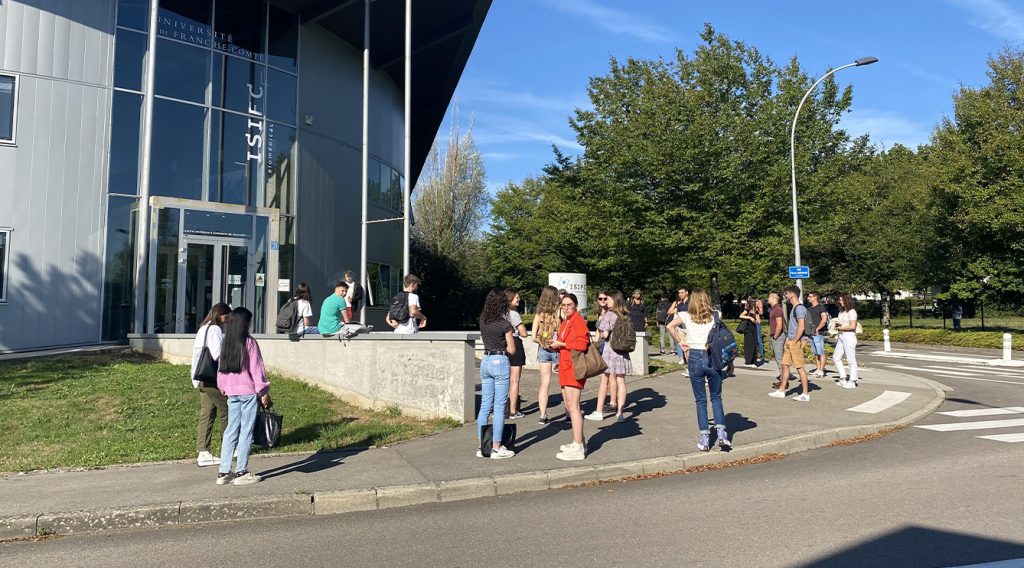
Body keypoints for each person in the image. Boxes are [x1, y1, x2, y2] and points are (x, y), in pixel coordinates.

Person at [216, 307, 271, 486]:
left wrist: (223, 387)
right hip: (248, 391)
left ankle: (224, 471)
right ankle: (241, 471)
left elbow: (221, 369)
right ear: (245, 323)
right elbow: (257, 369)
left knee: (231, 430)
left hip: (231, 392)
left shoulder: (226, 342)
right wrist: (263, 391)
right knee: (246, 431)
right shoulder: (249, 343)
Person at [677, 290, 731, 451]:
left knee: (700, 400)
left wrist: (681, 341)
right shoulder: (716, 314)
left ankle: (705, 438)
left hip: (694, 356)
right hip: (712, 356)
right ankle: (721, 433)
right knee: (716, 397)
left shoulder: (685, 315)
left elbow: (670, 325)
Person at [548, 293, 590, 461]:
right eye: (563, 305)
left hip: (574, 368)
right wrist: (556, 347)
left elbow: (582, 344)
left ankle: (578, 445)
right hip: (566, 366)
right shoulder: (566, 321)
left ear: (576, 305)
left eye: (569, 305)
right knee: (570, 405)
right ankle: (579, 442)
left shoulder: (578, 321)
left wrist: (562, 344)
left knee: (573, 407)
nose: (566, 308)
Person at [476, 289, 516, 459]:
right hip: (500, 360)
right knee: (499, 407)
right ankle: (496, 447)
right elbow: (512, 349)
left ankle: (482, 446)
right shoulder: (504, 324)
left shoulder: (483, 321)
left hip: (486, 360)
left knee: (485, 406)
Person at [190, 302, 231, 467]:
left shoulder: (203, 328)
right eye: (226, 317)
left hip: (200, 376)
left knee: (207, 414)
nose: (227, 320)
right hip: (211, 378)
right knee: (226, 409)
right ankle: (228, 447)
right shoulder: (214, 329)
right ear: (219, 315)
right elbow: (217, 354)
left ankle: (203, 452)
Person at [595, 290, 632, 423]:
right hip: (623, 351)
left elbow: (604, 334)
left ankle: (598, 412)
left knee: (604, 380)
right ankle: (620, 413)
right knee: (621, 381)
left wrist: (602, 329)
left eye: (608, 299)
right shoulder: (625, 314)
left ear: (614, 300)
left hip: (610, 351)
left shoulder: (610, 314)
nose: (606, 302)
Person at [770, 286, 811, 401]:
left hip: (795, 342)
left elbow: (801, 327)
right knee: (784, 365)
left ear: (791, 294)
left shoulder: (799, 308)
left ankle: (805, 394)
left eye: (787, 294)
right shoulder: (794, 308)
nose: (786, 296)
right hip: (791, 340)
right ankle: (781, 391)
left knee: (799, 367)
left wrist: (794, 340)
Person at [531, 285, 561, 424]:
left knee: (544, 383)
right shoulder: (558, 313)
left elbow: (532, 337)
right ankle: (568, 412)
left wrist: (543, 342)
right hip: (557, 349)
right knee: (564, 384)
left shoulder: (539, 314)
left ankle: (543, 415)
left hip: (543, 350)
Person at [586, 291, 617, 418]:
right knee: (606, 376)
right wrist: (596, 343)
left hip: (609, 345)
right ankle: (610, 404)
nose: (603, 301)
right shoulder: (601, 313)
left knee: (611, 376)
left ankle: (612, 402)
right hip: (601, 344)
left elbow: (606, 331)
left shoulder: (611, 313)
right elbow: (599, 331)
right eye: (600, 298)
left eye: (605, 298)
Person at [505, 288, 528, 419]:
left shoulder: (499, 314)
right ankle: (513, 410)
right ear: (510, 299)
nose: (518, 299)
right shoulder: (513, 314)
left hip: (502, 345)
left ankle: (502, 408)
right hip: (514, 343)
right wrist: (520, 332)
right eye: (516, 297)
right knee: (514, 380)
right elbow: (524, 332)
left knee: (504, 380)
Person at [833, 293, 860, 389]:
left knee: (851, 360)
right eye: (840, 300)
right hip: (841, 335)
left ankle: (852, 381)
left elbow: (853, 326)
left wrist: (842, 327)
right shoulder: (841, 312)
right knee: (836, 357)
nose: (841, 302)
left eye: (842, 300)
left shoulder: (852, 312)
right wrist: (838, 326)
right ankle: (843, 377)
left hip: (849, 336)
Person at [767, 292, 788, 387]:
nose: (768, 298)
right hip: (775, 336)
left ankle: (784, 382)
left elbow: (780, 325)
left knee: (780, 359)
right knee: (778, 358)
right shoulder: (774, 309)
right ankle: (782, 379)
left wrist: (775, 336)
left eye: (769, 297)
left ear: (773, 298)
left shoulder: (777, 309)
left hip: (778, 336)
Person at [806, 292, 829, 378]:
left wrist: (817, 329)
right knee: (816, 352)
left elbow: (824, 319)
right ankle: (818, 368)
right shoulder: (809, 309)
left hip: (818, 333)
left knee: (821, 351)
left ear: (816, 297)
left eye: (810, 296)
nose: (808, 298)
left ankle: (821, 370)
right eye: (808, 296)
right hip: (811, 333)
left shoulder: (821, 307)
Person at [666, 287, 690, 365]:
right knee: (686, 349)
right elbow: (669, 312)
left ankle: (692, 368)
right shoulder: (679, 303)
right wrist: (675, 310)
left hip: (689, 328)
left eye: (682, 292)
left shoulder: (691, 302)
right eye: (679, 293)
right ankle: (689, 368)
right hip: (681, 328)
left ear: (686, 292)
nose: (680, 294)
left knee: (689, 349)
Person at [738, 297, 760, 367]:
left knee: (754, 344)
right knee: (748, 345)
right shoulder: (747, 310)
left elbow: (759, 321)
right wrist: (750, 317)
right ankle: (748, 361)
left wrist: (756, 317)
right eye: (756, 302)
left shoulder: (756, 310)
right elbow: (741, 316)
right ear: (753, 303)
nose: (758, 303)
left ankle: (754, 361)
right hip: (748, 329)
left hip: (754, 329)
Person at [755, 298, 766, 363]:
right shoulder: (748, 301)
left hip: (756, 322)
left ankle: (761, 355)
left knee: (759, 339)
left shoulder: (759, 302)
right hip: (750, 322)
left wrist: (756, 310)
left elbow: (761, 312)